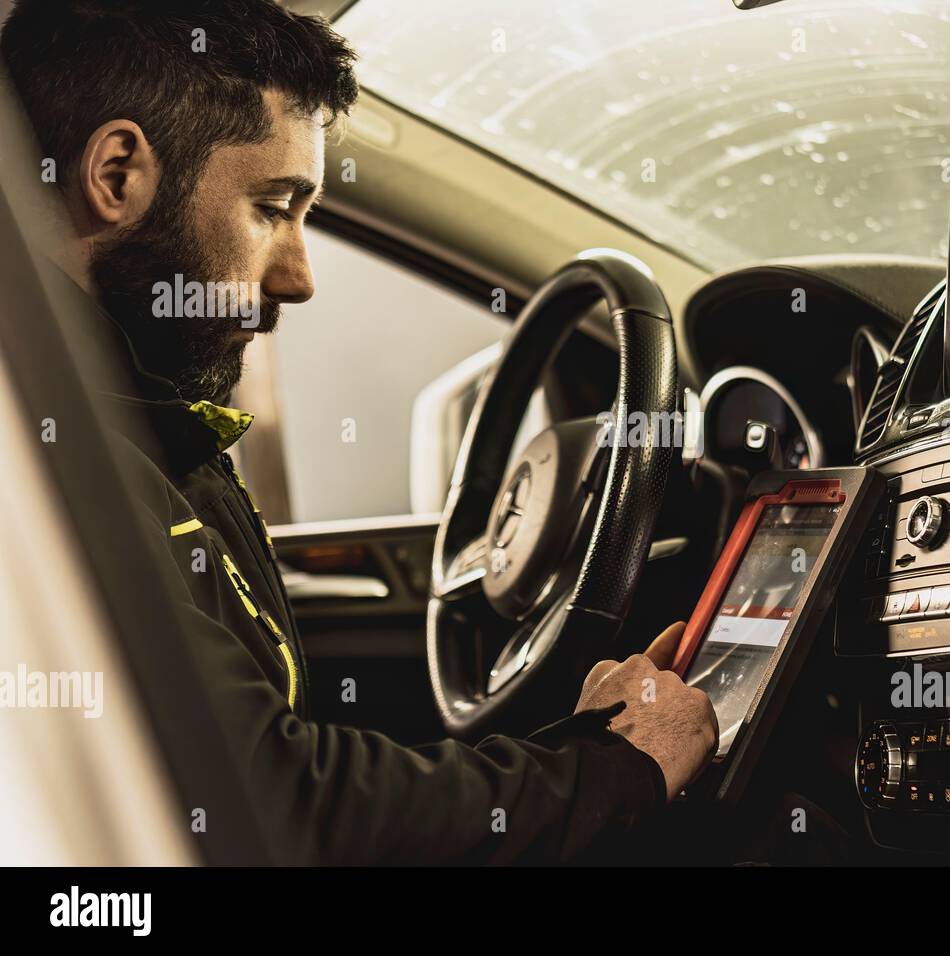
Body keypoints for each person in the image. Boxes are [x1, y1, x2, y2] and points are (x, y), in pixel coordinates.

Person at [1, 0, 717, 864]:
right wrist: (616, 774)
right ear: (117, 175)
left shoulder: (131, 423)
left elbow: (279, 760)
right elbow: (271, 801)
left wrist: (581, 745)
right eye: (274, 208)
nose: (299, 278)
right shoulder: (43, 460)